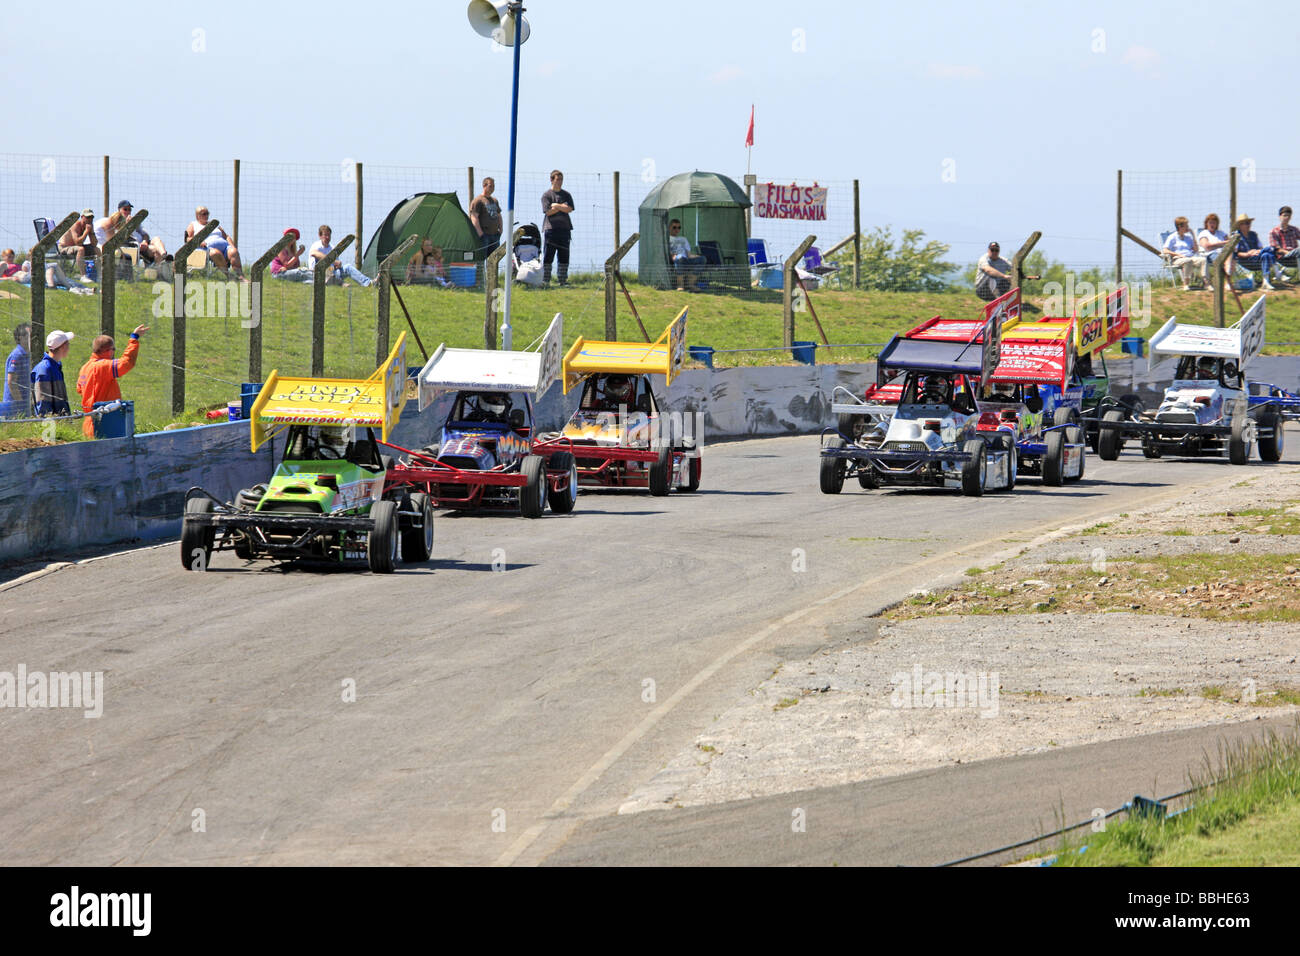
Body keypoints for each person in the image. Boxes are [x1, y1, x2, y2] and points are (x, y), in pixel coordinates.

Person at [75, 326, 147, 438]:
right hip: (104, 421)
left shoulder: (85, 368)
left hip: (88, 422)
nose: (114, 353)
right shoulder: (102, 366)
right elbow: (127, 363)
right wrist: (134, 338)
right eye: (113, 349)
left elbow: (79, 390)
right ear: (108, 351)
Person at [186, 205, 244, 278]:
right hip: (206, 249)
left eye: (207, 213)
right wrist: (199, 242)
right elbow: (188, 238)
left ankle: (241, 277)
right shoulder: (194, 225)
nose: (206, 215)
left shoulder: (214, 224)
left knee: (233, 251)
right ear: (197, 216)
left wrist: (232, 246)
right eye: (204, 214)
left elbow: (226, 236)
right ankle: (229, 276)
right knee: (215, 253)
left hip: (225, 247)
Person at [308, 225, 373, 287]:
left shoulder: (332, 248)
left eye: (329, 235)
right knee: (328, 274)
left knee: (348, 267)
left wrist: (338, 264)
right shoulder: (316, 245)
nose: (327, 237)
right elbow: (314, 253)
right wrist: (333, 261)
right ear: (320, 235)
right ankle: (340, 283)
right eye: (325, 235)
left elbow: (336, 264)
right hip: (318, 274)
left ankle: (368, 283)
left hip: (333, 272)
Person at [541, 169, 574, 286]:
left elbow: (569, 209)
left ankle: (562, 280)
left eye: (561, 179)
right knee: (548, 256)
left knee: (564, 256)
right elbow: (547, 212)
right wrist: (562, 207)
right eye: (557, 179)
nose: (560, 182)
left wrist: (556, 206)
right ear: (551, 180)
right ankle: (545, 280)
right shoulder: (546, 195)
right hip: (551, 230)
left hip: (565, 230)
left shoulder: (566, 194)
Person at [31, 329, 75, 417]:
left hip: (59, 423)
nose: (69, 348)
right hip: (51, 426)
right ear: (63, 347)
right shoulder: (44, 369)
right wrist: (49, 425)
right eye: (68, 344)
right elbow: (43, 403)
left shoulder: (55, 366)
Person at [1231, 214, 1279, 291]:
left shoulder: (1253, 234)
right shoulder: (1236, 236)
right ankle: (1276, 270)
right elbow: (1235, 253)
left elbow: (1260, 247)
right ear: (1240, 225)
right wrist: (1248, 253)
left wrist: (1257, 251)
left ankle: (1265, 282)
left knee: (1266, 254)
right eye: (1246, 223)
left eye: (1249, 223)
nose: (1248, 225)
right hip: (1245, 260)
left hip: (1256, 258)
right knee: (1270, 250)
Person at [1163, 217, 1208, 290]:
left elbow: (1196, 250)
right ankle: (1186, 284)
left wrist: (1193, 235)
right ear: (1180, 227)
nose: (1188, 228)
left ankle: (1206, 283)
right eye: (1186, 226)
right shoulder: (1172, 237)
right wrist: (1178, 255)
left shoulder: (1188, 237)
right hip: (1178, 259)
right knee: (1188, 261)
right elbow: (1165, 250)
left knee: (1203, 260)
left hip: (1190, 257)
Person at [668, 219, 707, 292]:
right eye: (674, 227)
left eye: (679, 227)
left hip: (686, 259)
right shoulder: (667, 239)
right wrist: (672, 256)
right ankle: (680, 285)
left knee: (702, 259)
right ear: (669, 227)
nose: (677, 229)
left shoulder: (683, 239)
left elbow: (689, 255)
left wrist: (697, 256)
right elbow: (668, 253)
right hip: (677, 258)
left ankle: (690, 284)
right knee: (679, 258)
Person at [2, 323, 31, 418]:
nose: (32, 339)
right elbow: (11, 382)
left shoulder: (28, 355)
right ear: (20, 337)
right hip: (14, 406)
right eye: (28, 335)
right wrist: (20, 405)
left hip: (24, 403)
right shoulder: (17, 355)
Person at [469, 177, 503, 259]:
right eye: (490, 186)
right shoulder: (478, 201)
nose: (492, 188)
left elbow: (499, 215)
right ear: (484, 186)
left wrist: (501, 229)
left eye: (493, 186)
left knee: (494, 260)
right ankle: (481, 272)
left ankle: (492, 272)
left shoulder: (494, 200)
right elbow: (474, 217)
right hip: (484, 235)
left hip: (495, 235)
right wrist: (480, 233)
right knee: (481, 258)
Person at [58, 209, 98, 276]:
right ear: (82, 217)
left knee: (97, 249)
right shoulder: (76, 225)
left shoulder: (89, 226)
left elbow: (94, 243)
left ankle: (100, 275)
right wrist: (86, 232)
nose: (90, 220)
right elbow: (78, 243)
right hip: (64, 248)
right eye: (88, 217)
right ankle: (83, 276)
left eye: (91, 217)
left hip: (75, 247)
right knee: (80, 249)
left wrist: (92, 232)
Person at [1268, 206, 1299, 283]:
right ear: (1280, 217)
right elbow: (1276, 248)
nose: (1287, 218)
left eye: (1288, 216)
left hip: (1295, 255)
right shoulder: (1274, 231)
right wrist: (1288, 252)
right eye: (1284, 215)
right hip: (1283, 257)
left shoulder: (1294, 229)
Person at [1197, 213, 1230, 279]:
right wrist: (1222, 243)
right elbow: (1207, 246)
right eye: (1210, 223)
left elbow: (1230, 242)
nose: (1212, 225)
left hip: (1223, 253)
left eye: (1214, 223)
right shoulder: (1203, 233)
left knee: (1232, 257)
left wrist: (1216, 245)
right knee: (1220, 260)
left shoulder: (1221, 233)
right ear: (1206, 223)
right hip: (1210, 255)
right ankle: (1226, 281)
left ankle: (1228, 280)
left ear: (1217, 224)